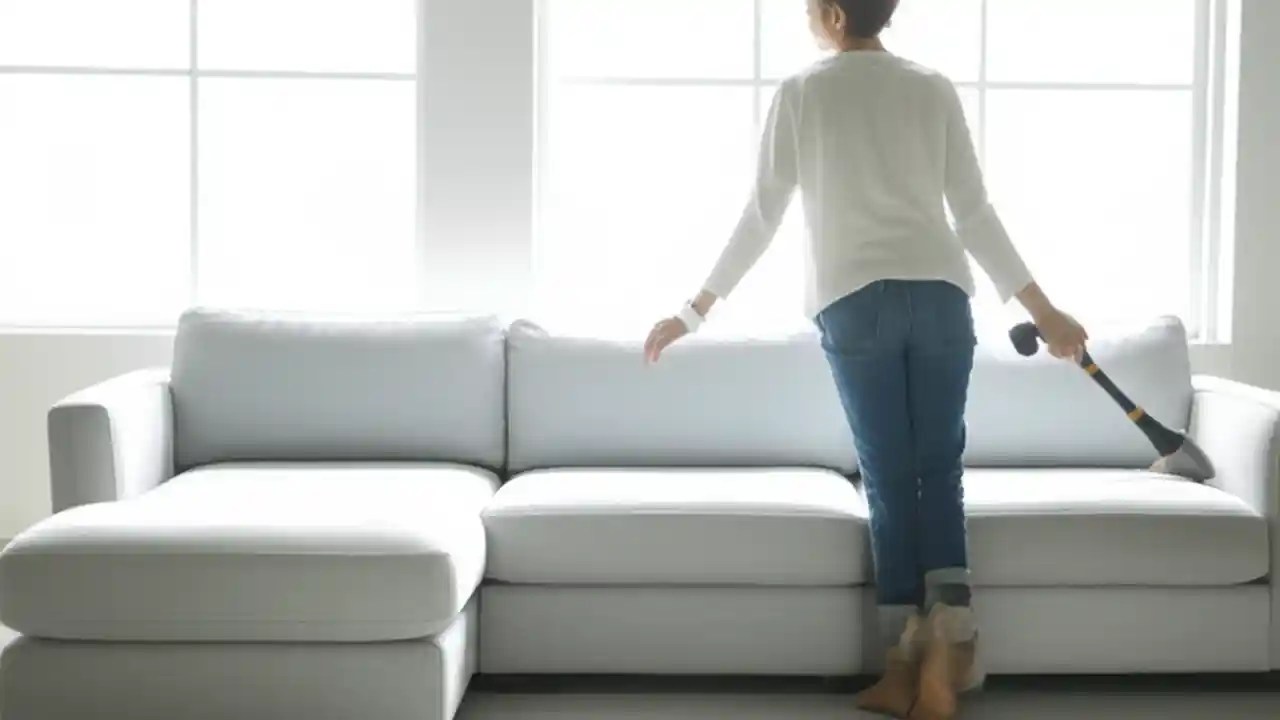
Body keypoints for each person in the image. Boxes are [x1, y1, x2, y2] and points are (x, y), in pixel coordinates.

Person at [643, 1, 1089, 718]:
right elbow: (973, 212)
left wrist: (694, 309)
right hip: (942, 294)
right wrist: (1044, 312)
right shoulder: (932, 86)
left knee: (887, 476)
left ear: (833, 14)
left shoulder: (802, 92)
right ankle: (950, 647)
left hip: (855, 299)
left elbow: (763, 213)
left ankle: (903, 663)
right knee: (939, 467)